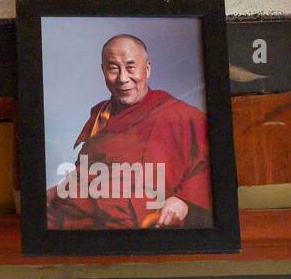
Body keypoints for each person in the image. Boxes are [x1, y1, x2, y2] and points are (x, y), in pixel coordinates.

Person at [46, 34, 212, 229]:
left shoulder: (179, 115)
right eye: (113, 68)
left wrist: (183, 200)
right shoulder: (102, 115)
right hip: (84, 213)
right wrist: (56, 191)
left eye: (131, 67)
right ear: (103, 70)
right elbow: (87, 173)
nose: (123, 78)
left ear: (147, 68)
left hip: (135, 221)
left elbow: (215, 162)